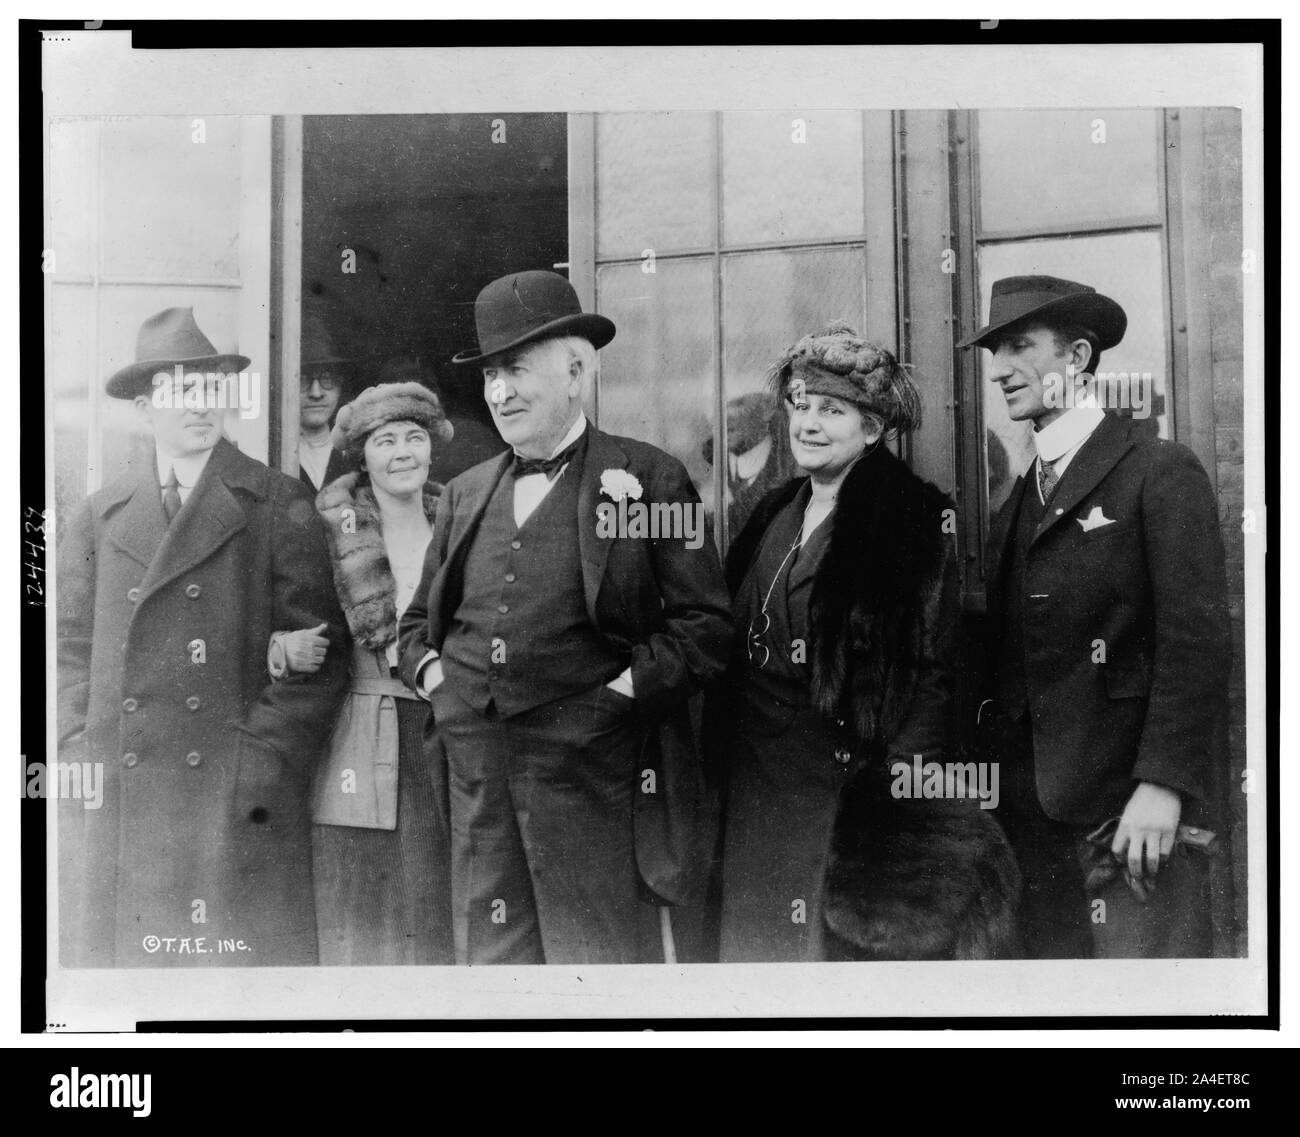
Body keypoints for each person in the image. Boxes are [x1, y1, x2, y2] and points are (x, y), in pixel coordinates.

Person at [396, 270, 732, 965]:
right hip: (477, 775)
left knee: (591, 965)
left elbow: (705, 628)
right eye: (491, 374)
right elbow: (412, 627)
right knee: (489, 969)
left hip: (593, 777)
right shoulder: (462, 494)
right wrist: (441, 687)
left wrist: (615, 701)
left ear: (577, 371)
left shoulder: (649, 479)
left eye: (517, 369)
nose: (499, 391)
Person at [715, 321, 1019, 962]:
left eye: (832, 410)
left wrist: (897, 797)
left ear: (873, 430)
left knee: (822, 967)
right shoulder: (773, 511)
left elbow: (933, 668)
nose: (809, 424)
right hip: (754, 787)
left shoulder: (910, 519)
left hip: (842, 788)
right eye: (801, 407)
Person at [55, 307, 349, 967]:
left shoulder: (277, 504)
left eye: (211, 389)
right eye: (180, 391)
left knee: (232, 989)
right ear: (143, 405)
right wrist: (78, 746)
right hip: (122, 807)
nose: (199, 405)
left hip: (231, 803)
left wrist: (259, 763)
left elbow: (320, 656)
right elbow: (64, 653)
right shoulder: (99, 516)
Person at [963, 274, 1232, 957]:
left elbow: (1194, 641)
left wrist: (1163, 785)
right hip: (1028, 833)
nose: (999, 370)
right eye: (995, 351)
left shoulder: (1158, 471)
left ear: (1077, 358)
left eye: (1019, 346)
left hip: (1128, 823)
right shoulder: (1015, 503)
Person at [289, 382, 458, 965]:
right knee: (362, 902)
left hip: (449, 727)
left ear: (433, 447)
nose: (403, 452)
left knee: (439, 897)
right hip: (359, 735)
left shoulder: (462, 520)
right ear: (362, 455)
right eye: (386, 441)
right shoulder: (332, 528)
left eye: (415, 437)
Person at [296, 315, 356, 492]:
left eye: (327, 378)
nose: (316, 393)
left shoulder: (357, 457)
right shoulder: (273, 454)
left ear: (339, 386)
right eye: (302, 379)